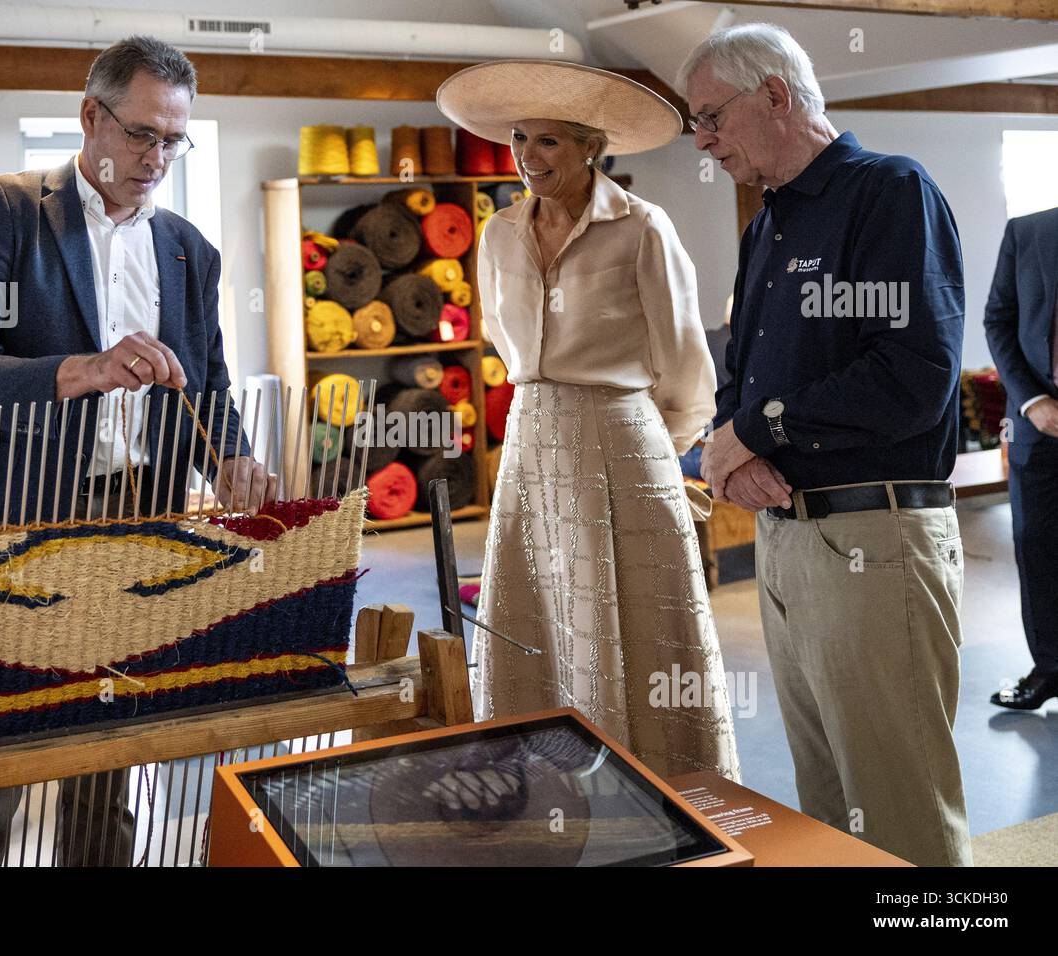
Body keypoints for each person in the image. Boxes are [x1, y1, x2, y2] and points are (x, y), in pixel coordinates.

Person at [0, 35, 274, 867]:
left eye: (174, 139)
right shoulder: (3, 209)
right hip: (6, 517)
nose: (157, 157)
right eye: (143, 134)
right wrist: (84, 370)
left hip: (132, 520)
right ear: (91, 117)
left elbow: (209, 389)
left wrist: (230, 459)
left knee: (109, 754)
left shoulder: (191, 249)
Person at [681, 23, 971, 866]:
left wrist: (756, 431)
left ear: (775, 94)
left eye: (710, 116)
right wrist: (732, 452)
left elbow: (913, 376)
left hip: (875, 543)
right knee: (830, 810)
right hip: (789, 539)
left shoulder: (888, 193)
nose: (702, 140)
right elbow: (741, 379)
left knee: (898, 807)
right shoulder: (766, 226)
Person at [437, 60, 741, 781]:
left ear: (588, 147)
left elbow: (687, 365)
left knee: (639, 625)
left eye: (548, 142)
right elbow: (504, 345)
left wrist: (649, 459)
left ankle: (663, 786)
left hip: (625, 439)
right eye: (519, 138)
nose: (528, 157)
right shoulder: (498, 234)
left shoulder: (643, 228)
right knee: (536, 617)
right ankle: (544, 781)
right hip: (533, 439)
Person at [984, 207, 1058, 710]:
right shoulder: (1027, 232)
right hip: (1037, 423)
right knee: (1037, 549)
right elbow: (998, 319)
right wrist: (1034, 402)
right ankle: (1050, 668)